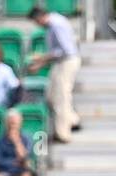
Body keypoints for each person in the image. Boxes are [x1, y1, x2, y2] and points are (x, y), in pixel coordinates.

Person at [27, 5, 80, 143]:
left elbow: (64, 50)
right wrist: (41, 62)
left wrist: (41, 59)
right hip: (60, 62)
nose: (37, 25)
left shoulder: (56, 25)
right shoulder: (53, 24)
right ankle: (72, 120)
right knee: (50, 96)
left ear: (39, 17)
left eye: (36, 21)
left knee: (61, 97)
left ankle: (63, 133)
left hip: (66, 62)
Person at [0, 109, 35, 176]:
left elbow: (25, 159)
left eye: (15, 123)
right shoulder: (0, 140)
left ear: (20, 123)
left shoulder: (26, 139)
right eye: (11, 123)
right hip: (4, 172)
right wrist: (13, 163)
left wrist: (17, 142)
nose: (12, 126)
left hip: (20, 172)